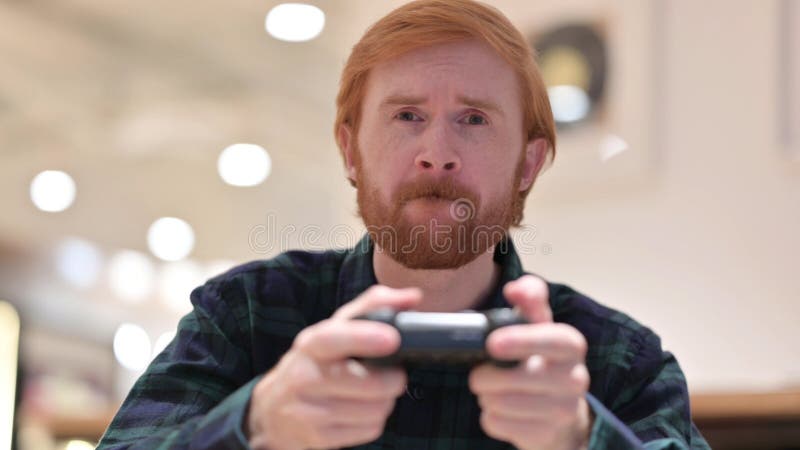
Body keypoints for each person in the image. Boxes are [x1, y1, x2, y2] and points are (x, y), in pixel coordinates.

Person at [98, 0, 709, 449]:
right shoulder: (247, 316)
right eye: (407, 115)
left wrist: (583, 437)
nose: (436, 152)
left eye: (473, 119)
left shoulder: (623, 364)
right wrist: (256, 425)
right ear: (350, 151)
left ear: (529, 163)